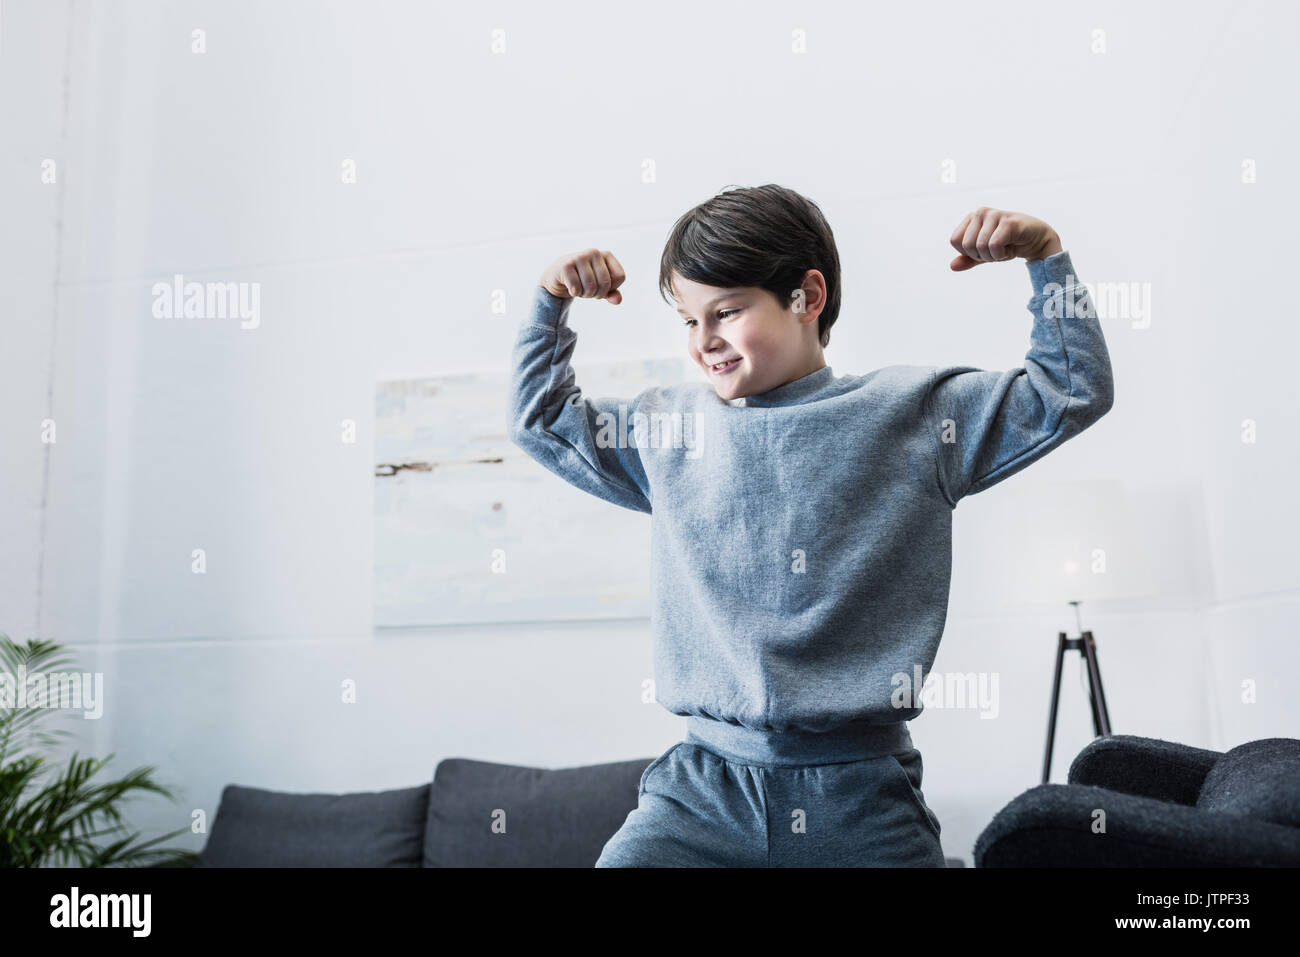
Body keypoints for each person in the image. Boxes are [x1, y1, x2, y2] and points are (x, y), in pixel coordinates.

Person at [507, 185, 1114, 866]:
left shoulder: (914, 416)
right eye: (687, 319)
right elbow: (541, 418)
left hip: (860, 797)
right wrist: (549, 303)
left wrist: (1045, 258)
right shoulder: (667, 430)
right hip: (701, 794)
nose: (703, 341)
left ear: (807, 297)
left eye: (726, 311)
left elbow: (1069, 389)